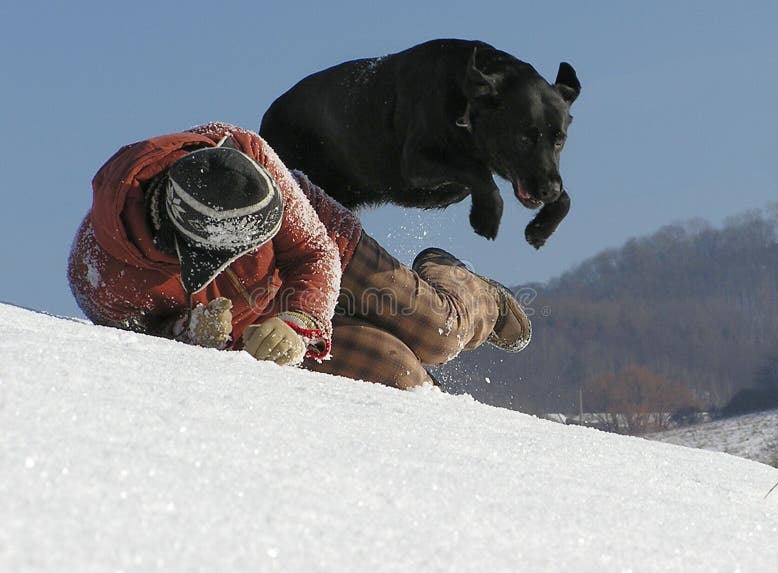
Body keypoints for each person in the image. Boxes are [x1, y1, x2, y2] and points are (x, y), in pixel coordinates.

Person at [68, 122, 531, 389]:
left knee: (437, 334)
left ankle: (462, 287)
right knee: (401, 375)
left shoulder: (242, 150)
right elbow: (141, 351)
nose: (257, 252)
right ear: (198, 254)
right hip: (258, 333)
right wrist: (192, 333)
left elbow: (312, 250)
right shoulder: (102, 276)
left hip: (328, 253)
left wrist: (300, 320)